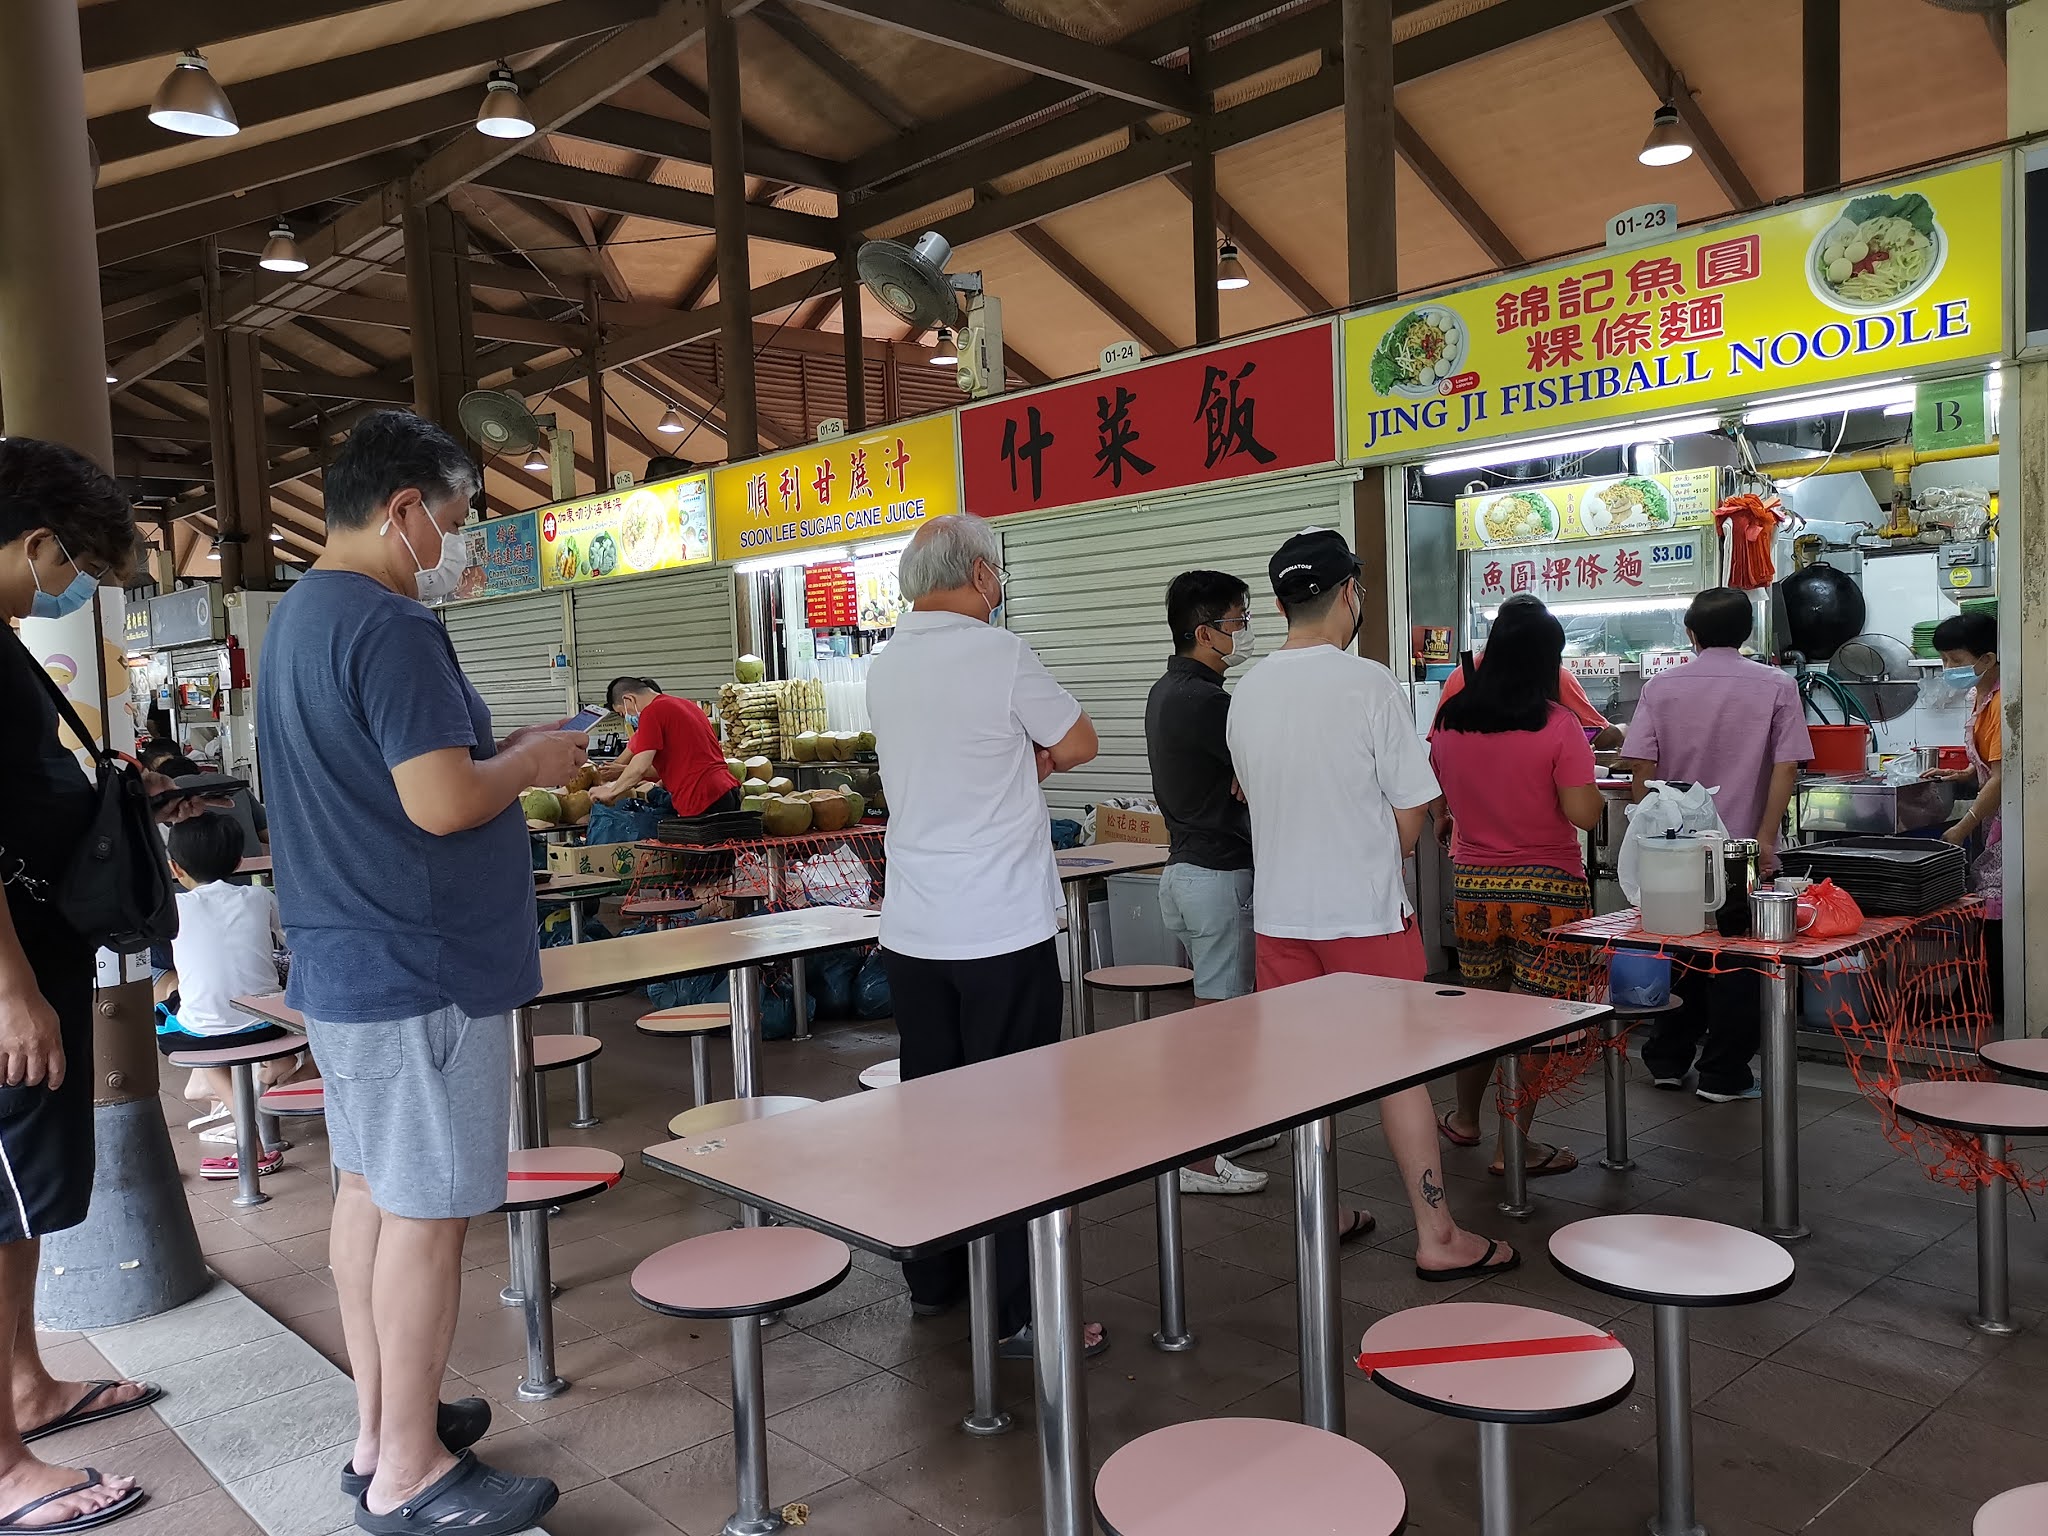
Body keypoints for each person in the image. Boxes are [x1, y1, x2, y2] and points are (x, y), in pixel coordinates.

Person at [257, 410, 586, 1536]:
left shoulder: (299, 617)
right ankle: (409, 1473)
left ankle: (378, 1429)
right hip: (422, 963)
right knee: (432, 1214)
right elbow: (441, 801)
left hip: (348, 957)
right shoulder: (390, 627)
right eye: (450, 522)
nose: (453, 546)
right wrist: (533, 762)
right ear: (403, 512)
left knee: (370, 1194)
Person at [1227, 526, 1519, 1281]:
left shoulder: (1247, 691)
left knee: (1301, 1074)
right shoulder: (1368, 684)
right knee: (1400, 1073)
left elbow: (1261, 797)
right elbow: (1413, 811)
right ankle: (1437, 1235)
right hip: (1364, 916)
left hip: (1280, 919)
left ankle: (1321, 1213)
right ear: (1351, 593)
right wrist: (1371, 854)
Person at [865, 513, 1109, 1356]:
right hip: (1000, 926)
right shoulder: (1001, 654)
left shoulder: (885, 663)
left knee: (931, 1108)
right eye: (998, 572)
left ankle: (932, 1279)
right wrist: (1027, 763)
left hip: (915, 928)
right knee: (1013, 1121)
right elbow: (1078, 740)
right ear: (978, 575)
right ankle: (1013, 1310)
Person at [0, 437, 179, 1531]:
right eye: (69, 569)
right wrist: (10, 992)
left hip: (37, 960)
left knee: (20, 1200)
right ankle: (6, 1468)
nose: (66, 590)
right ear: (36, 542)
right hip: (11, 977)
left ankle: (24, 1383)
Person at [1616, 586, 1812, 1103]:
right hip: (1740, 849)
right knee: (1739, 955)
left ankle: (1666, 1058)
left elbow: (1640, 767)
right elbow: (1787, 766)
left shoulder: (1662, 688)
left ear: (1690, 632)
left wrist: (1652, 830)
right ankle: (1724, 1074)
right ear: (1748, 633)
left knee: (1679, 946)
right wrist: (1765, 840)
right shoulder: (1775, 685)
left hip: (1673, 849)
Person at [1429, 597, 1602, 1177]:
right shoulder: (1559, 727)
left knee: (1483, 1009)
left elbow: (1439, 793)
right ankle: (1514, 1146)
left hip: (1474, 885)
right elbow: (1584, 815)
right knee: (1534, 1020)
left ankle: (1465, 1118)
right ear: (1548, 662)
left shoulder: (1451, 722)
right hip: (1547, 890)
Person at [1143, 570, 1272, 1197]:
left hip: (1188, 871)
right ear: (1205, 632)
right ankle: (1195, 1158)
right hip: (1217, 876)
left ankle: (1226, 1128)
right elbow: (1263, 774)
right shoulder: (1211, 703)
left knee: (1224, 1015)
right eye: (1238, 622)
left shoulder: (1167, 691)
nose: (1244, 632)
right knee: (1216, 1021)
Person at [157, 813, 307, 1181]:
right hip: (269, 1028)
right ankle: (280, 1077)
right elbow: (292, 942)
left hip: (201, 1035)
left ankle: (249, 1140)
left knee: (178, 1008)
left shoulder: (173, 908)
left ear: (174, 867)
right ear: (240, 861)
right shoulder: (258, 897)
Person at [1929, 609, 2002, 1009]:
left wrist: (1964, 825)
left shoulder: (2004, 698)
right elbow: (1987, 766)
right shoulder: (1980, 695)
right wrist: (1956, 775)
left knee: (1998, 911)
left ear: (1987, 658)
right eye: (1943, 660)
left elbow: (2003, 776)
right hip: (1994, 817)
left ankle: (1990, 1002)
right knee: (1988, 908)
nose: (1948, 669)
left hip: (2012, 821)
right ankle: (1978, 997)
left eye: (1955, 661)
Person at [1434, 596, 1623, 749]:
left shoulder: (1459, 676)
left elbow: (1437, 744)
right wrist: (1625, 731)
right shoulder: (1556, 679)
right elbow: (1602, 736)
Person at [588, 678, 736, 817]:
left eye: (622, 713)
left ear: (629, 699)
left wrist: (610, 792)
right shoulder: (686, 704)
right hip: (727, 790)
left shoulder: (651, 712)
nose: (627, 718)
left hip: (701, 797)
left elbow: (640, 767)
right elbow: (676, 765)